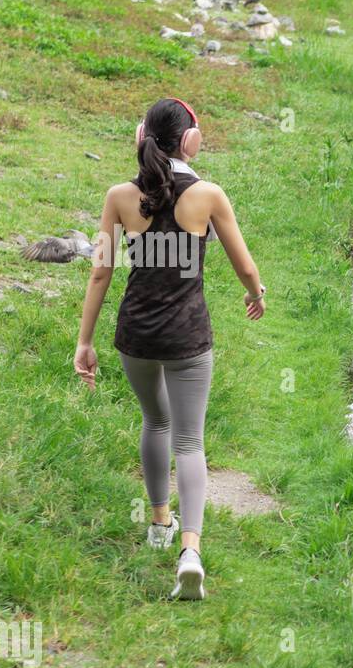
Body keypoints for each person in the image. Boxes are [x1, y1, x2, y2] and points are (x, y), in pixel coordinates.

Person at [73, 97, 266, 600]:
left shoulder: (119, 196)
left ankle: (159, 521)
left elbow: (101, 270)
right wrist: (255, 293)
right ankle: (190, 551)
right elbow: (244, 265)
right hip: (188, 338)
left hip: (136, 335)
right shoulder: (207, 195)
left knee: (154, 423)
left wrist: (85, 340)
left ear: (141, 137)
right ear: (191, 142)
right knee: (190, 440)